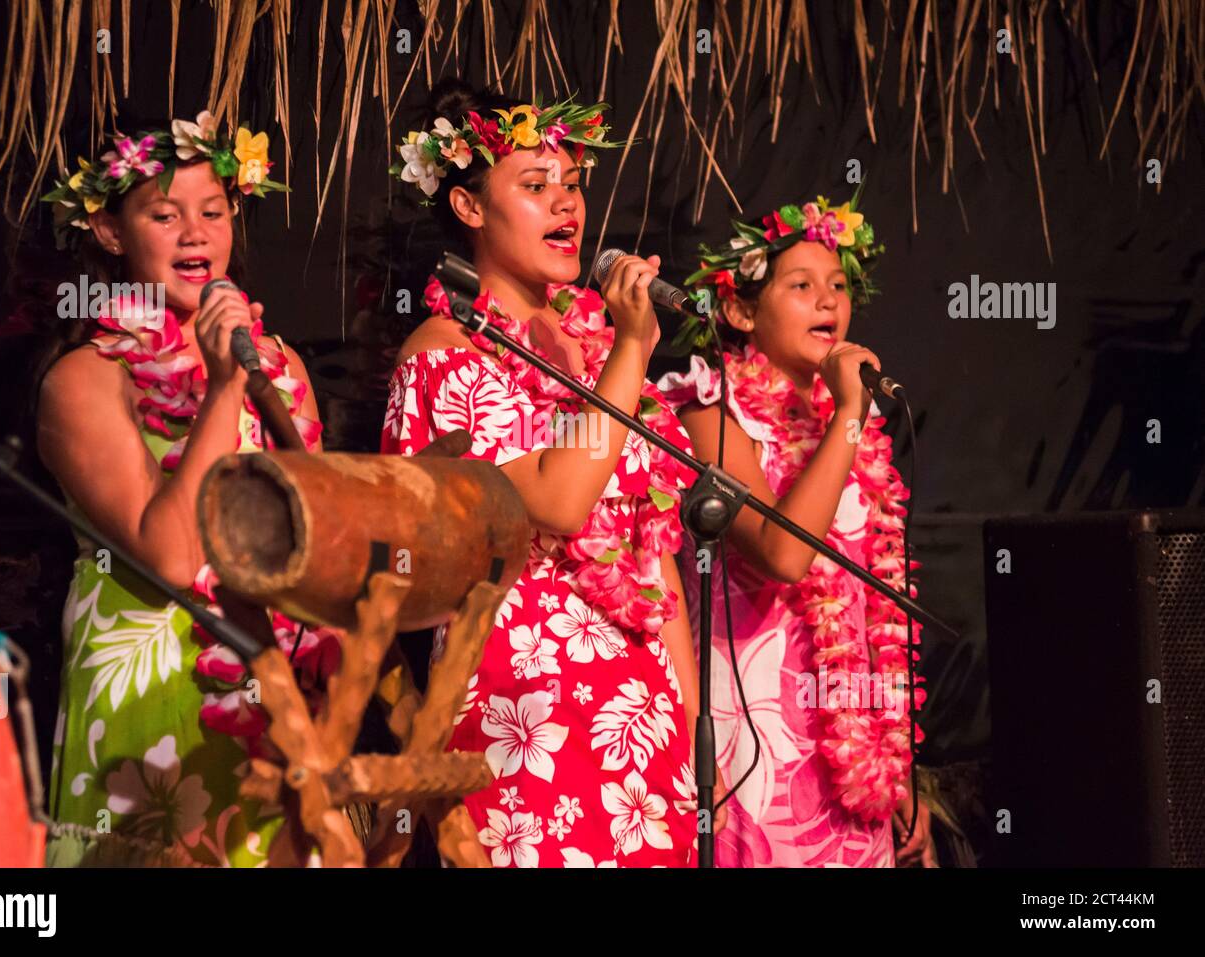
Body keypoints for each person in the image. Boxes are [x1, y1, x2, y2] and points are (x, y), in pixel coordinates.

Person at [382, 79, 721, 867]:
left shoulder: (591, 350)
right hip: (522, 720)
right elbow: (561, 503)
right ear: (469, 208)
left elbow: (650, 543)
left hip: (640, 712)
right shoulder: (444, 354)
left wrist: (688, 702)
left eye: (571, 184)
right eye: (535, 186)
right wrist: (636, 349)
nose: (566, 204)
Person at [35, 113, 342, 866]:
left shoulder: (283, 366)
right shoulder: (83, 380)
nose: (195, 234)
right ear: (110, 232)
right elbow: (169, 555)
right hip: (150, 684)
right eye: (164, 215)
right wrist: (223, 391)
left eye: (213, 211)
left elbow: (324, 536)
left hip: (273, 686)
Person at [657, 190, 934, 866]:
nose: (828, 302)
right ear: (740, 310)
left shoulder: (852, 436)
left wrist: (891, 766)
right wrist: (847, 414)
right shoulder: (710, 415)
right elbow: (784, 554)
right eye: (802, 285)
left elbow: (870, 611)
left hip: (847, 753)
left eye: (838, 286)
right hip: (751, 742)